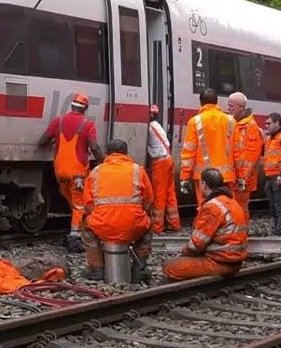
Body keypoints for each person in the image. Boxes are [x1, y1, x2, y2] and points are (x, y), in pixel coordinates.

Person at [80, 139, 155, 281]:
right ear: (126, 153)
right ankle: (139, 269)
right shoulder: (138, 170)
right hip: (133, 226)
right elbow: (149, 201)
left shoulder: (96, 172)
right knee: (149, 225)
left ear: (107, 154)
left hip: (103, 227)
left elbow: (88, 205)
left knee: (85, 225)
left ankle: (96, 269)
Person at [38, 93, 103, 252]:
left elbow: (42, 141)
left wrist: (56, 140)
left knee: (73, 203)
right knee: (79, 204)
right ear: (85, 109)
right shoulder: (88, 125)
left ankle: (83, 227)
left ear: (72, 106)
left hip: (59, 171)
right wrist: (104, 161)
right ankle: (74, 236)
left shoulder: (58, 121)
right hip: (78, 173)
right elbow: (94, 147)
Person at [163, 168, 249, 280]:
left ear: (204, 184)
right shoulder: (231, 202)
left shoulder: (212, 207)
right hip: (234, 261)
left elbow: (197, 243)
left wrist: (184, 253)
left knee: (169, 266)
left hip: (220, 263)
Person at [178, 88, 241, 205]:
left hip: (205, 179)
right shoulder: (231, 121)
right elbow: (238, 151)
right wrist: (241, 176)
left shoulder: (195, 121)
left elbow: (189, 153)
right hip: (226, 178)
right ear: (217, 102)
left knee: (206, 209)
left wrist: (185, 178)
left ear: (201, 102)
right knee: (227, 207)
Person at [226, 92, 264, 224]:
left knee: (240, 207)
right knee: (235, 208)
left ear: (241, 107)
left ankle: (241, 234)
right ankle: (237, 233)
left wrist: (242, 178)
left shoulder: (250, 127)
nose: (229, 108)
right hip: (236, 177)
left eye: (231, 106)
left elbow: (251, 157)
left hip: (242, 180)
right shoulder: (237, 125)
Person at [146, 104, 181, 233]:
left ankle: (157, 227)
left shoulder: (149, 128)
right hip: (168, 159)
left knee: (159, 195)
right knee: (170, 193)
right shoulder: (157, 126)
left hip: (160, 163)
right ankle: (174, 224)